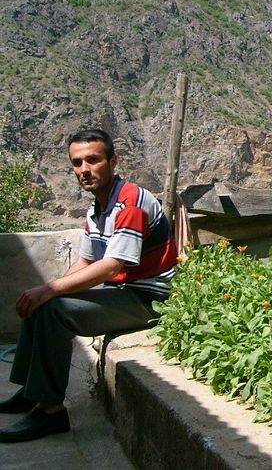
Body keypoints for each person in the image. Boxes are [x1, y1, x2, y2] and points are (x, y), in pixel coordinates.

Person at [0, 128, 178, 442]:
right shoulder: (97, 209)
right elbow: (85, 261)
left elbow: (111, 266)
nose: (85, 169)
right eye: (78, 163)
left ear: (113, 161)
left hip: (148, 298)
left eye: (93, 160)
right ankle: (31, 392)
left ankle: (50, 412)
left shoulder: (129, 204)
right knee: (42, 301)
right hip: (122, 292)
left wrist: (50, 291)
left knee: (54, 308)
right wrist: (47, 289)